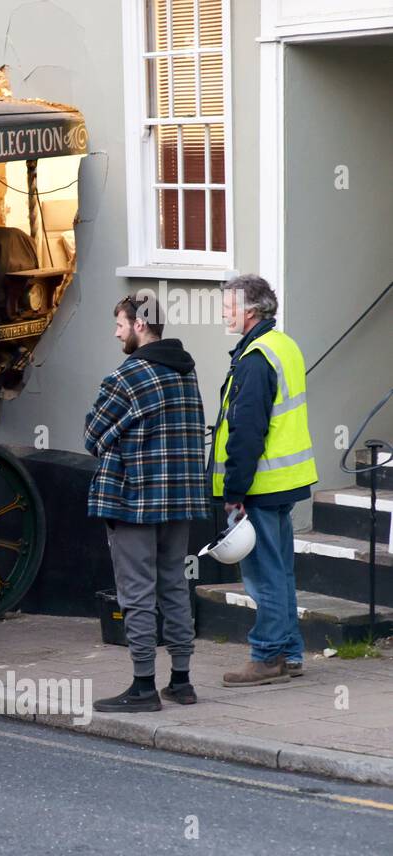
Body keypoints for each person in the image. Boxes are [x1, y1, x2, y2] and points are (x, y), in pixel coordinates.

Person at [84, 295, 207, 712]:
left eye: (120, 324)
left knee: (135, 592)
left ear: (140, 325)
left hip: (135, 498)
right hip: (182, 497)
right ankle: (182, 681)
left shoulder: (127, 375)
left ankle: (142, 687)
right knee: (174, 585)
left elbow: (91, 436)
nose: (117, 332)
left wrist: (116, 436)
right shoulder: (187, 373)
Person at [213, 274, 317, 686]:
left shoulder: (256, 358)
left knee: (263, 575)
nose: (224, 312)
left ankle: (268, 656)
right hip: (283, 482)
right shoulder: (283, 346)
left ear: (251, 311)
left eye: (229, 306)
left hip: (260, 485)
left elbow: (247, 431)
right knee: (281, 571)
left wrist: (233, 491)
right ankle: (290, 653)